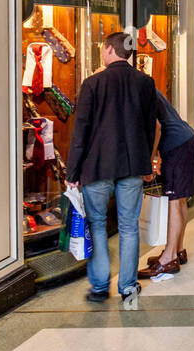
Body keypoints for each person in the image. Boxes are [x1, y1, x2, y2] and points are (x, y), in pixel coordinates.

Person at [66, 30, 159, 303]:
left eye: (102, 49)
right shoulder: (145, 82)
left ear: (108, 50)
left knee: (96, 224)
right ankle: (128, 286)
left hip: (96, 167)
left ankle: (99, 286)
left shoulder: (93, 83)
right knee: (129, 225)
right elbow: (148, 126)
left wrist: (72, 172)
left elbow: (80, 131)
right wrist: (147, 162)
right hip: (131, 165)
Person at [139, 88, 194, 279]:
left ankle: (169, 258)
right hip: (185, 137)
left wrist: (151, 158)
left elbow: (156, 126)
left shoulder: (138, 91)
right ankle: (177, 249)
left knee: (173, 198)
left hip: (175, 144)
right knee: (179, 198)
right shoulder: (146, 86)